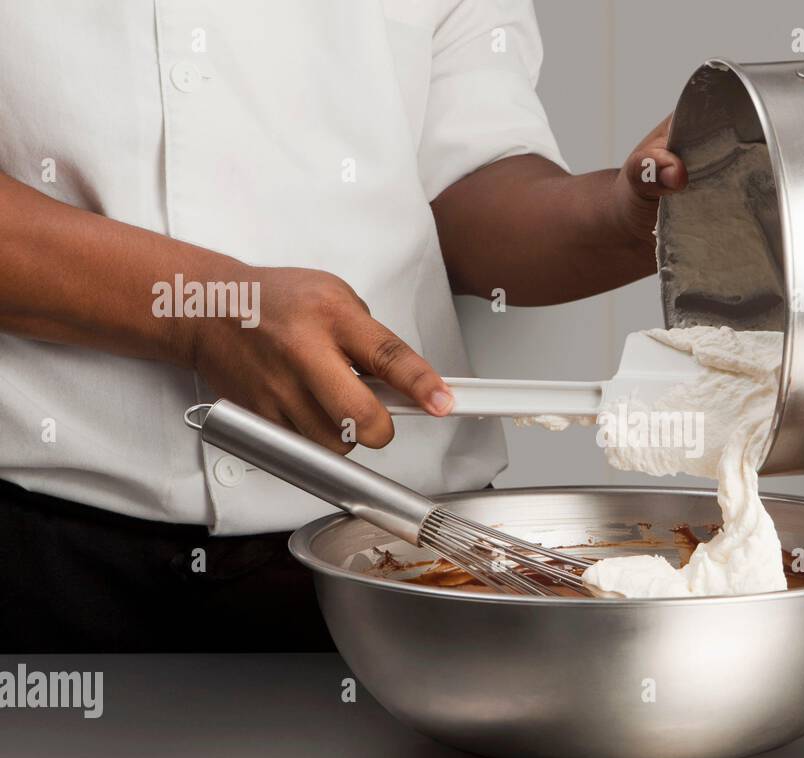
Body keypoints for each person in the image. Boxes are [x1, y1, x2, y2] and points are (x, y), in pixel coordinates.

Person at [0, 0, 685, 651]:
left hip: (405, 546)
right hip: (44, 551)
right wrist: (206, 315)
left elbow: (466, 184)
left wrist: (623, 218)